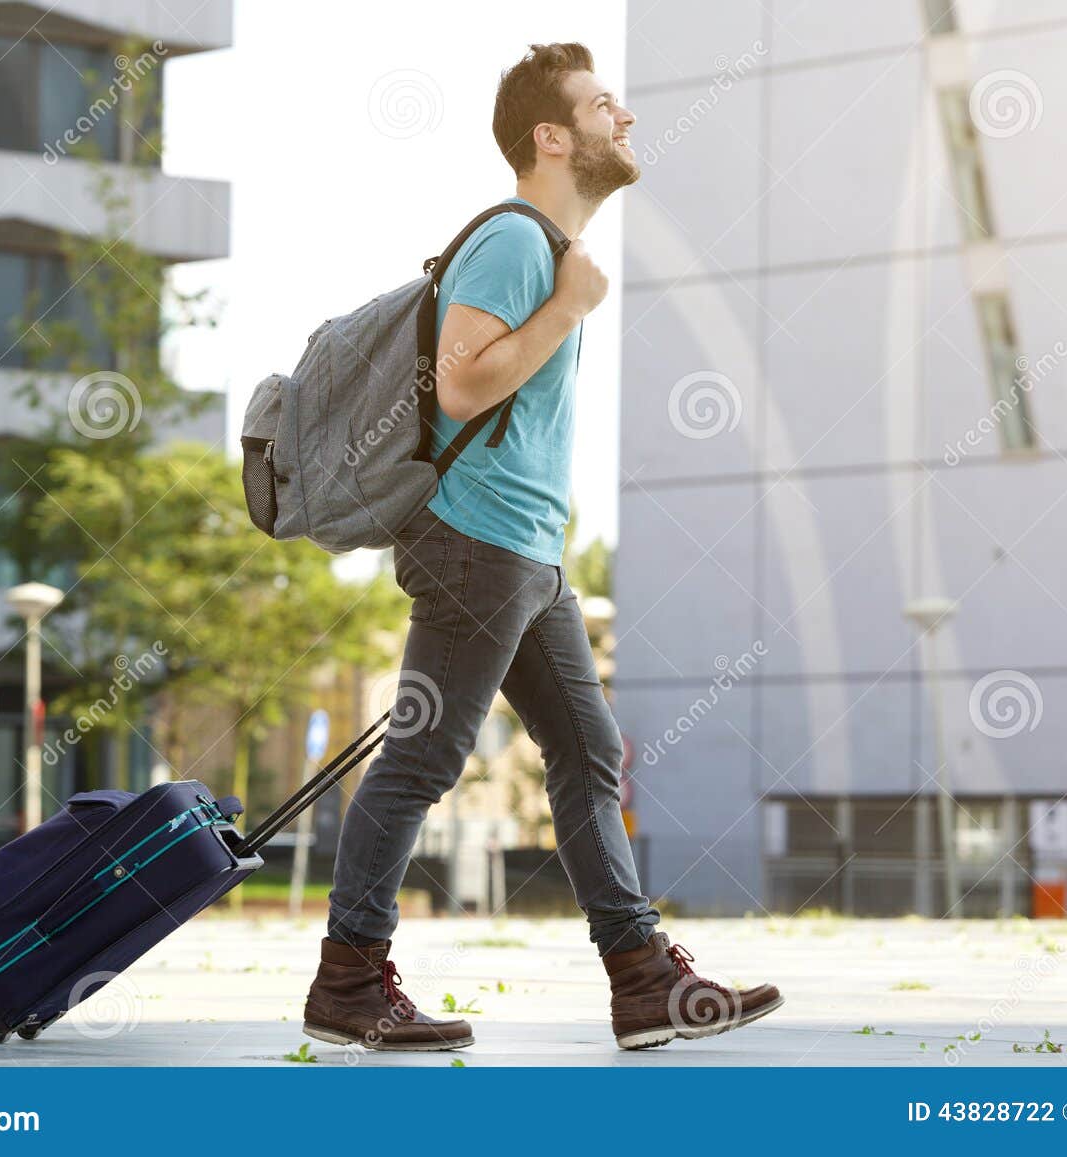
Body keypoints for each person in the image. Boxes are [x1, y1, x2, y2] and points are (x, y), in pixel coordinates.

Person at [301, 43, 782, 1052]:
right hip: (477, 544)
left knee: (587, 752)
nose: (626, 118)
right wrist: (568, 306)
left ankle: (642, 979)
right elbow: (459, 384)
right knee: (422, 758)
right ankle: (346, 980)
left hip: (527, 553)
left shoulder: (546, 248)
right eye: (604, 105)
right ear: (551, 137)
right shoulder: (516, 242)